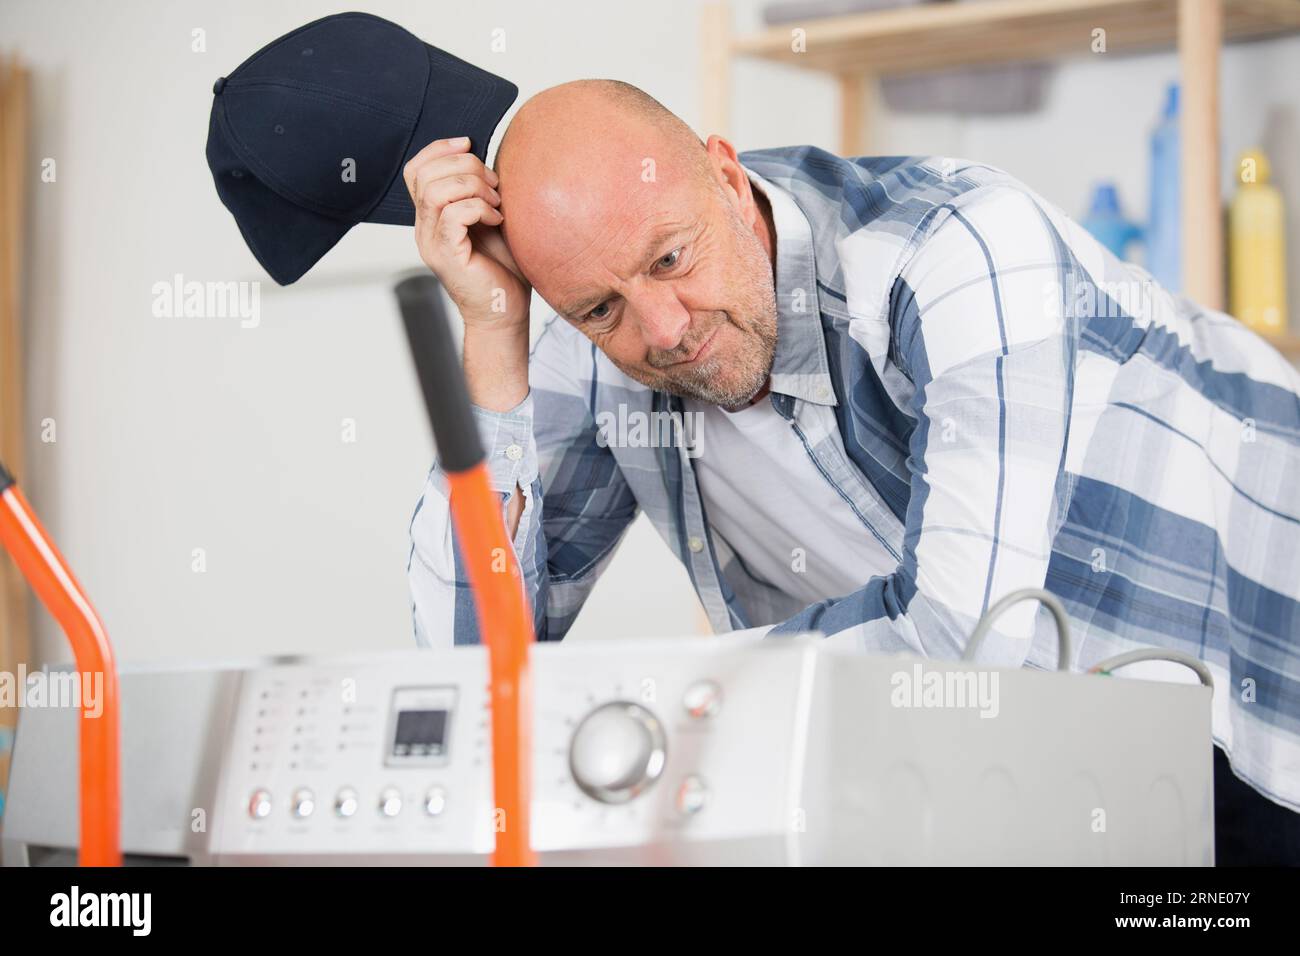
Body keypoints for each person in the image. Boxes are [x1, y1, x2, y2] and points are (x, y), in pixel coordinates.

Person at [402, 79, 1300, 864]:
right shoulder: (602, 340)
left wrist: (636, 708)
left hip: (1253, 708)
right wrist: (492, 338)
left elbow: (967, 638)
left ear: (723, 172)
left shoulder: (952, 247)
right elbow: (472, 679)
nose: (665, 329)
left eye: (672, 259)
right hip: (1041, 767)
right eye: (601, 309)